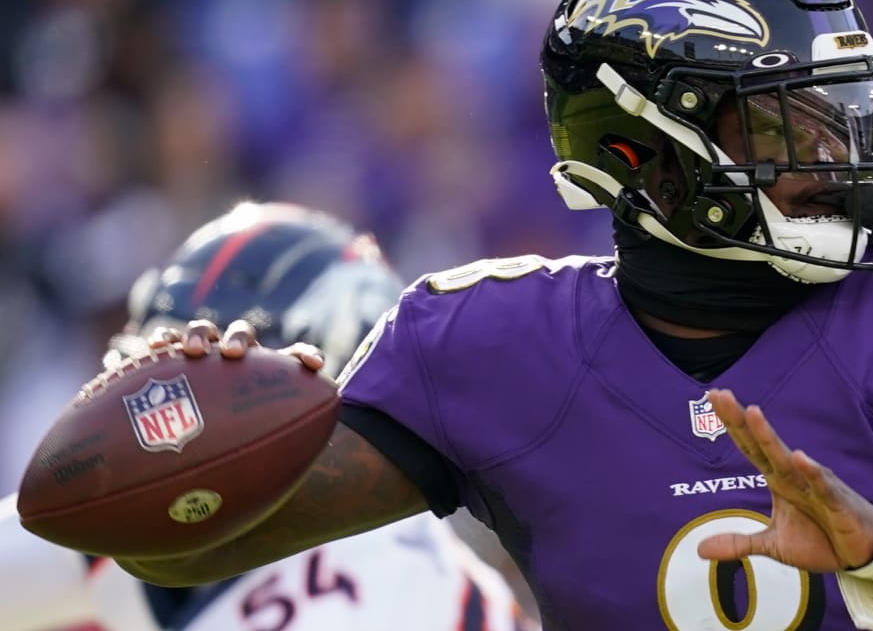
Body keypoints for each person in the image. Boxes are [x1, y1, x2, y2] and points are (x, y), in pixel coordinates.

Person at [84, 0, 873, 630]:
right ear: (643, 154)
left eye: (841, 117)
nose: (836, 160)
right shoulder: (479, 345)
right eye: (786, 128)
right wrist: (170, 421)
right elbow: (178, 539)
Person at [1, 201, 533, 631]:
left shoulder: (382, 571)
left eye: (211, 380)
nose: (172, 404)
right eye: (159, 366)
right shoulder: (142, 527)